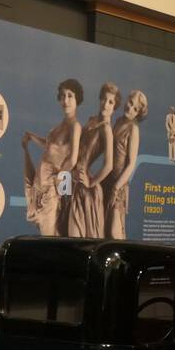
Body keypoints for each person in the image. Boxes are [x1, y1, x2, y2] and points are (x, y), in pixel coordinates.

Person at [22, 79, 82, 236]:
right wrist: (31, 137)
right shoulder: (59, 126)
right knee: (43, 230)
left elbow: (73, 159)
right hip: (39, 183)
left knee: (49, 234)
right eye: (63, 96)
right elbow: (50, 146)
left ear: (77, 100)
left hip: (52, 187)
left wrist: (58, 178)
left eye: (70, 96)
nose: (65, 100)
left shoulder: (75, 126)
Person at [67, 82, 117, 238]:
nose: (105, 104)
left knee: (81, 240)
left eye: (111, 102)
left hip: (87, 190)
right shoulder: (91, 120)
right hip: (73, 182)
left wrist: (91, 182)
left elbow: (108, 165)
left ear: (114, 107)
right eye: (103, 99)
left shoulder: (106, 129)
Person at [103, 89, 146, 239]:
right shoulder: (118, 121)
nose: (130, 108)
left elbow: (131, 163)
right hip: (106, 179)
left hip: (118, 184)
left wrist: (116, 188)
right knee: (104, 228)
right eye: (130, 103)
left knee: (116, 232)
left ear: (138, 113)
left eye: (135, 108)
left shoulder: (134, 129)